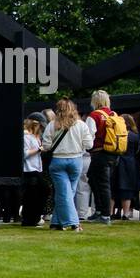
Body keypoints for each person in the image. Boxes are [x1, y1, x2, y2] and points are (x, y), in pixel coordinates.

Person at [42, 98, 93, 232]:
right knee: (68, 192)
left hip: (58, 161)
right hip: (76, 160)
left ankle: (62, 222)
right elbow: (89, 145)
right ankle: (68, 222)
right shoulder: (81, 125)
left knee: (63, 193)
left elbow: (46, 146)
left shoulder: (52, 125)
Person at [85, 90, 120, 224]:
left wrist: (86, 147)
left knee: (102, 184)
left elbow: (89, 136)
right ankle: (100, 211)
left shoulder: (94, 116)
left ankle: (105, 214)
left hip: (99, 153)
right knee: (94, 180)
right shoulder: (113, 114)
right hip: (113, 153)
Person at [113, 113, 140, 220]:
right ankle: (125, 213)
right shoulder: (135, 136)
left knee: (113, 188)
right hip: (130, 163)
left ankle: (112, 212)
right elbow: (137, 151)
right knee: (127, 189)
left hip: (117, 162)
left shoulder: (116, 134)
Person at [20, 118, 46, 226]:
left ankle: (33, 217)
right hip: (29, 169)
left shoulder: (36, 137)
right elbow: (25, 154)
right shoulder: (26, 137)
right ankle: (30, 218)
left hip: (37, 168)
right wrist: (39, 149)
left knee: (36, 194)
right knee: (33, 195)